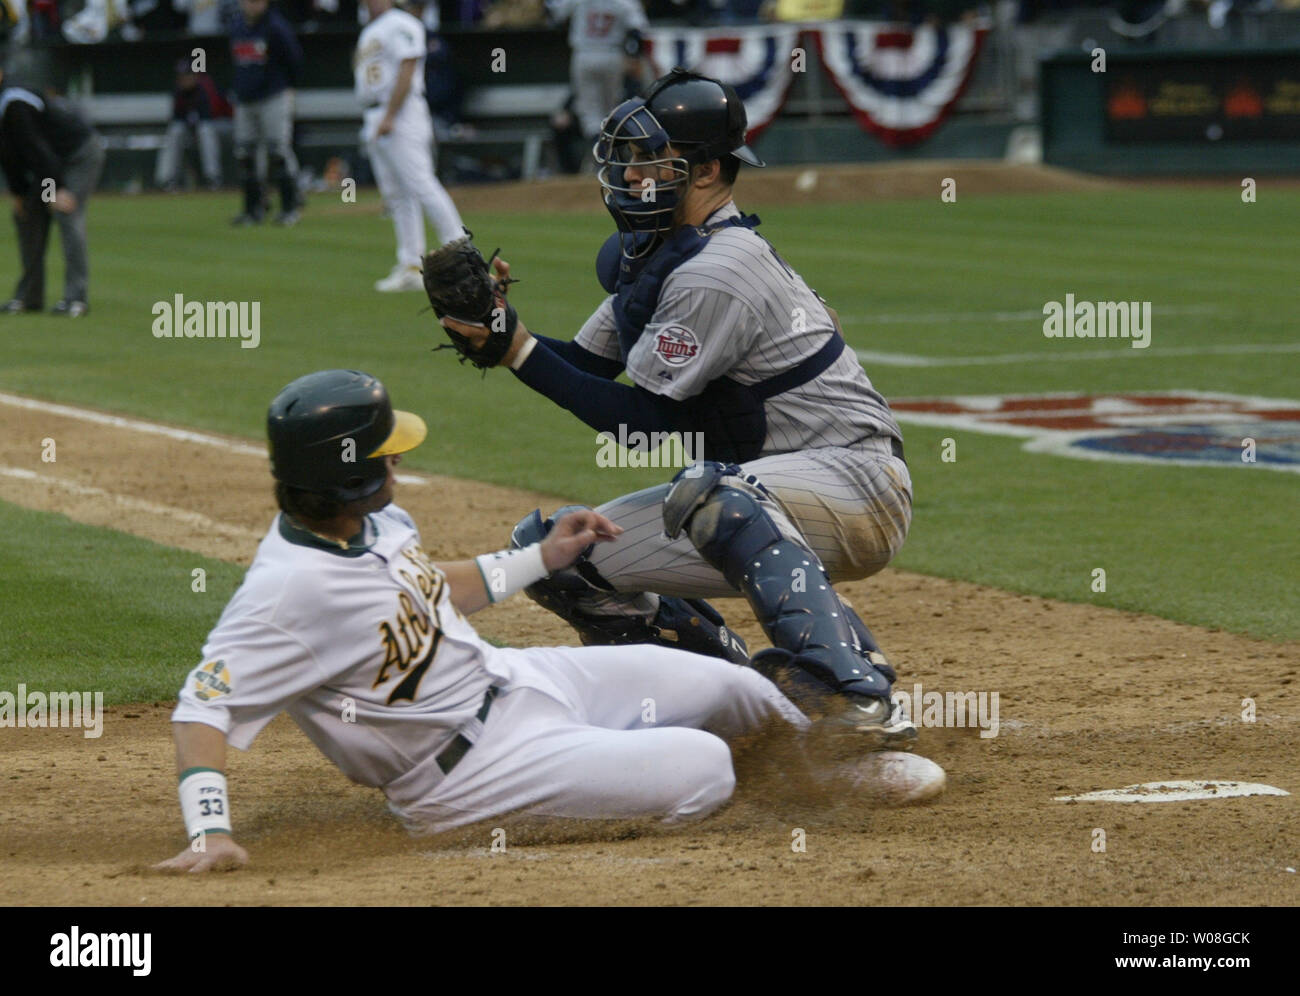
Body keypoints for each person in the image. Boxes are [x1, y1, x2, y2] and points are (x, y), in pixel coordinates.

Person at [152, 369, 831, 872]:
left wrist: (542, 556)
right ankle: (625, 815)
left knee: (733, 685)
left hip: (519, 679)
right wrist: (208, 832)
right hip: (467, 775)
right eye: (386, 448)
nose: (400, 456)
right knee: (706, 765)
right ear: (349, 474)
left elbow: (430, 589)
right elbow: (202, 708)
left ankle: (829, 773)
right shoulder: (285, 596)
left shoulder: (376, 520)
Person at [437, 69, 921, 746]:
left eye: (649, 161)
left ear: (706, 172)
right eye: (630, 161)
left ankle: (855, 698)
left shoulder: (717, 270)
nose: (631, 176)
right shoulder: (660, 258)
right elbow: (584, 368)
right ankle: (736, 710)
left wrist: (518, 350)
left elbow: (641, 425)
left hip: (857, 486)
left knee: (712, 493)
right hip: (765, 495)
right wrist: (498, 334)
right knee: (555, 557)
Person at [355, 0, 465, 292]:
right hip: (375, 112)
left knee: (421, 183)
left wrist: (390, 114)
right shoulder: (371, 30)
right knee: (397, 194)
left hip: (401, 112)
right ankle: (410, 265)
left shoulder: (402, 23)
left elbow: (408, 65)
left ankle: (462, 254)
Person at [0, 70, 104, 317]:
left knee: (66, 213)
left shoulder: (15, 101)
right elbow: (8, 153)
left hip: (78, 155)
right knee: (27, 216)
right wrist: (19, 193)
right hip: (50, 164)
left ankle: (75, 299)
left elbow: (38, 150)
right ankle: (29, 297)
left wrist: (58, 189)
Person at [228, 0, 303, 226]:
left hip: (273, 96)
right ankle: (253, 209)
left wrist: (286, 88)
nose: (252, 5)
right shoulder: (238, 26)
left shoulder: (276, 27)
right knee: (245, 154)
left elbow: (294, 60)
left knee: (278, 151)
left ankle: (290, 207)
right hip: (245, 99)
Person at [547, 0, 648, 146]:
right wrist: (633, 56)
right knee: (611, 110)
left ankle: (601, 154)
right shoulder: (625, 2)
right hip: (612, 54)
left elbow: (554, 13)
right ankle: (611, 155)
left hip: (584, 54)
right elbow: (637, 31)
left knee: (591, 113)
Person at [155, 58, 231, 191]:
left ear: (196, 75)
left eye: (188, 75)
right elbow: (177, 119)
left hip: (223, 125)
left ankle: (213, 178)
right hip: (196, 129)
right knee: (175, 131)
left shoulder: (205, 87)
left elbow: (208, 117)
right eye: (182, 76)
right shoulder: (179, 92)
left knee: (205, 131)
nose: (184, 79)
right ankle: (166, 180)